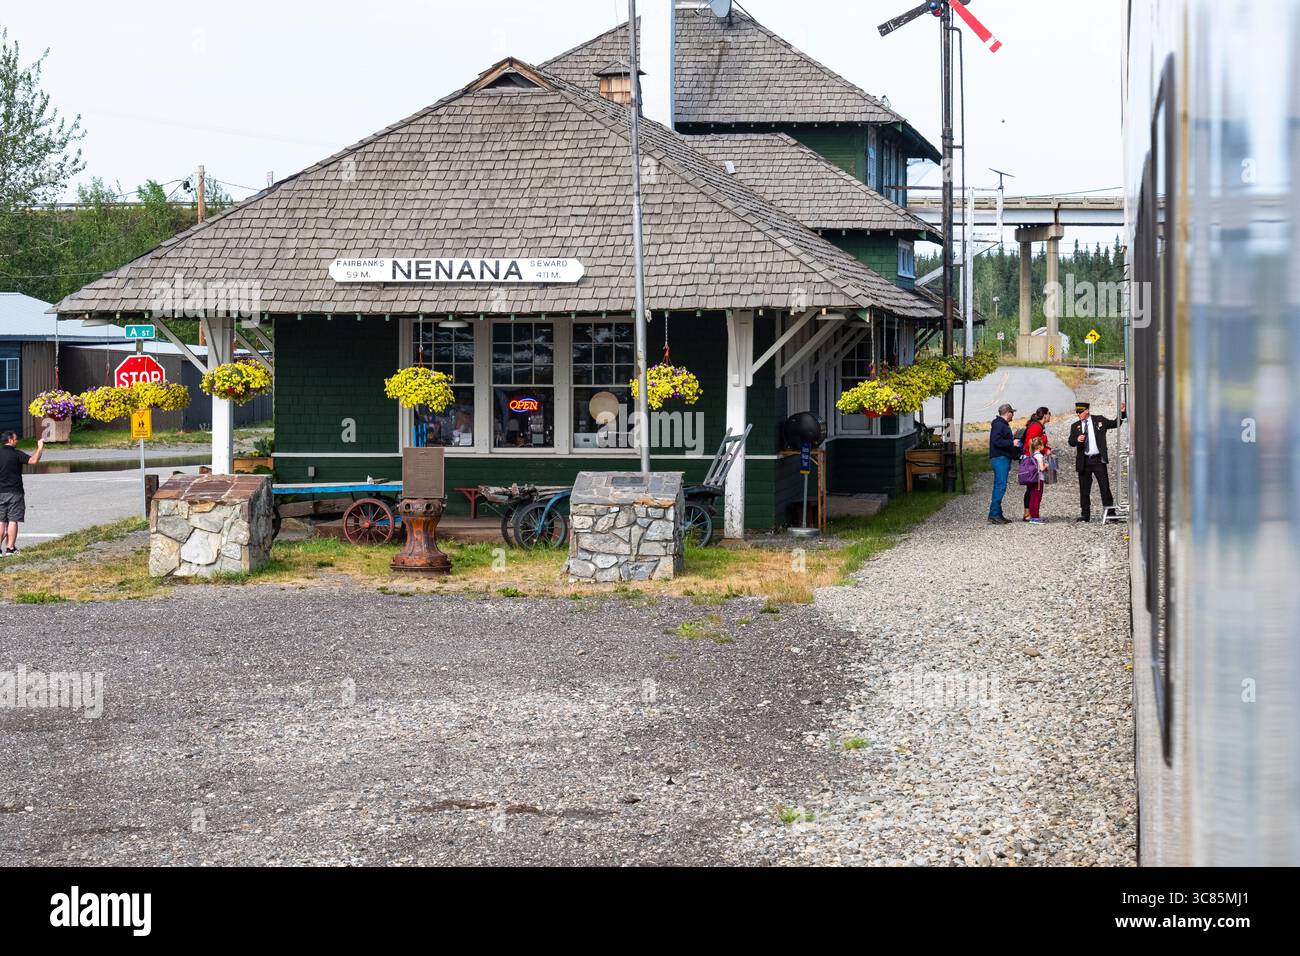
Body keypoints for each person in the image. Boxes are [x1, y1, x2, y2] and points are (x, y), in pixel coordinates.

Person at [1068, 400, 1126, 522]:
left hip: (1098, 460)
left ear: (1087, 411)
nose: (1078, 414)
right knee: (1084, 489)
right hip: (1084, 460)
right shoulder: (1075, 426)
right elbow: (1071, 441)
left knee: (1104, 486)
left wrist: (1122, 412)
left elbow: (1115, 423)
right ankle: (1085, 514)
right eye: (1077, 412)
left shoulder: (1099, 420)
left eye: (1080, 412)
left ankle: (1110, 512)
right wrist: (1077, 439)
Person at [0, 430, 45, 556]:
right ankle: (10, 548)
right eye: (15, 439)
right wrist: (40, 448)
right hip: (15, 492)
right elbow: (33, 461)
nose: (17, 440)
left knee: (1, 521)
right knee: (13, 520)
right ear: (9, 440)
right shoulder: (16, 454)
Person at [987, 403, 1021, 525]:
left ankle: (997, 513)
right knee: (1000, 486)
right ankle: (994, 514)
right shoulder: (999, 424)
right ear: (1008, 413)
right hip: (1000, 458)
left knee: (1000, 485)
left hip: (1001, 457)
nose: (1013, 415)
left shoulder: (1000, 424)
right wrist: (1012, 443)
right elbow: (996, 441)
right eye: (1012, 412)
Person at [1020, 406, 1053, 521]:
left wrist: (1047, 448)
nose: (1050, 415)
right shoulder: (1036, 427)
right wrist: (1044, 451)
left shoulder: (1039, 426)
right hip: (1031, 460)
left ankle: (1030, 513)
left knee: (1032, 488)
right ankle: (1028, 513)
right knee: (1032, 487)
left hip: (1033, 458)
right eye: (1049, 413)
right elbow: (1031, 443)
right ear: (1044, 415)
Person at [1026, 436, 1048, 524]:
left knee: (1032, 497)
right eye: (1043, 445)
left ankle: (1033, 515)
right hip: (1039, 479)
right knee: (1037, 498)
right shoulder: (1039, 456)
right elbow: (1042, 469)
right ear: (1039, 446)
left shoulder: (1033, 455)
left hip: (1032, 479)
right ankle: (1035, 517)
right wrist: (1047, 465)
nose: (1044, 447)